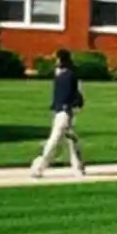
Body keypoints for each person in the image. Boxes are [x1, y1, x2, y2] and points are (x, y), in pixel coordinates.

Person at [31, 49, 86, 179]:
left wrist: (70, 106)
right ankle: (78, 167)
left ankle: (39, 167)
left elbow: (74, 94)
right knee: (71, 140)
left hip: (64, 111)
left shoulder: (69, 75)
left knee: (54, 140)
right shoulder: (62, 74)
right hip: (61, 111)